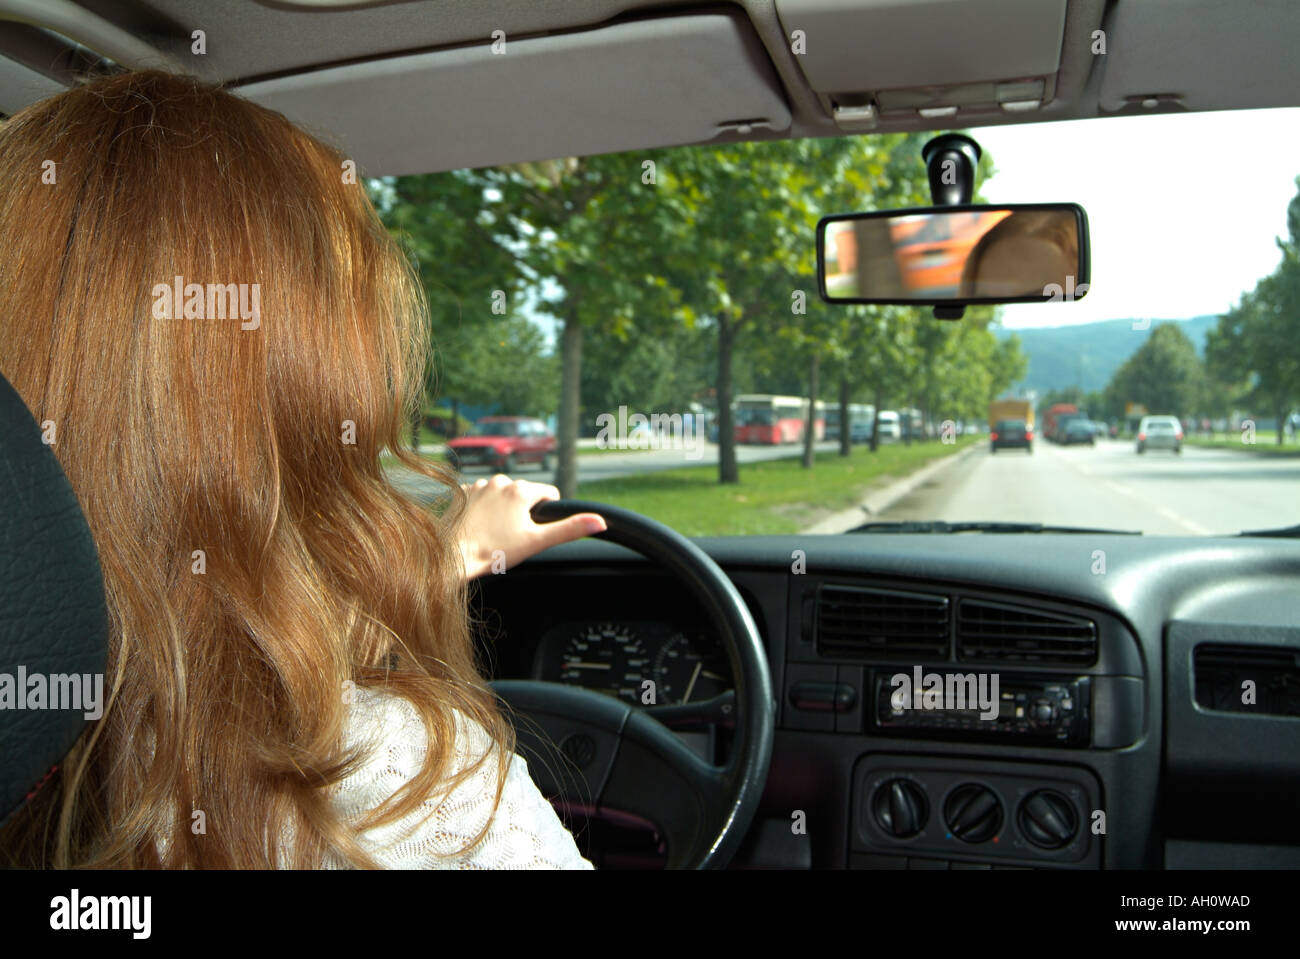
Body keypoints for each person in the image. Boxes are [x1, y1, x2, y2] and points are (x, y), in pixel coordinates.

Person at [0, 70, 605, 868]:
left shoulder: (31, 731)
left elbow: (176, 600)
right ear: (314, 405)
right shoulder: (414, 788)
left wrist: (439, 563)